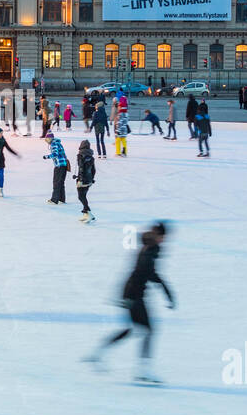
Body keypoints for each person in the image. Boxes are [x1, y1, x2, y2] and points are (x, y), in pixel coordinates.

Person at [83, 222, 173, 383]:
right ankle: (143, 370)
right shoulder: (149, 251)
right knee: (146, 330)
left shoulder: (151, 248)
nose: (164, 240)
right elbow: (149, 273)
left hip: (133, 294)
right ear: (159, 236)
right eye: (163, 237)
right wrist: (167, 292)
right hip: (133, 295)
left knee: (137, 329)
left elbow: (149, 273)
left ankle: (99, 354)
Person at [44, 133, 69, 205]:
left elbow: (55, 154)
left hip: (59, 165)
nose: (46, 140)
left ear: (50, 139)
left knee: (56, 182)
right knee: (61, 182)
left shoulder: (53, 144)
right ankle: (61, 199)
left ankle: (54, 200)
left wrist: (47, 157)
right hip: (63, 165)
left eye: (46, 139)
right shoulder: (58, 143)